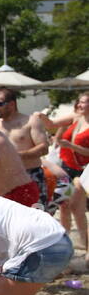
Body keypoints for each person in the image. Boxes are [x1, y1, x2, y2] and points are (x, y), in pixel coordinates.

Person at [0, 87, 50, 209]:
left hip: (30, 174)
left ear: (11, 104)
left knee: (37, 217)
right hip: (6, 178)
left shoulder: (31, 121)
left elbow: (44, 147)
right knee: (8, 220)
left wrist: (17, 156)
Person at [52, 92, 89, 252]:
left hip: (83, 172)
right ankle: (65, 242)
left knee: (76, 207)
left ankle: (85, 244)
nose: (80, 105)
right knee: (64, 205)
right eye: (79, 102)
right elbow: (54, 130)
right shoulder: (75, 118)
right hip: (67, 169)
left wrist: (72, 146)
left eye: (84, 102)